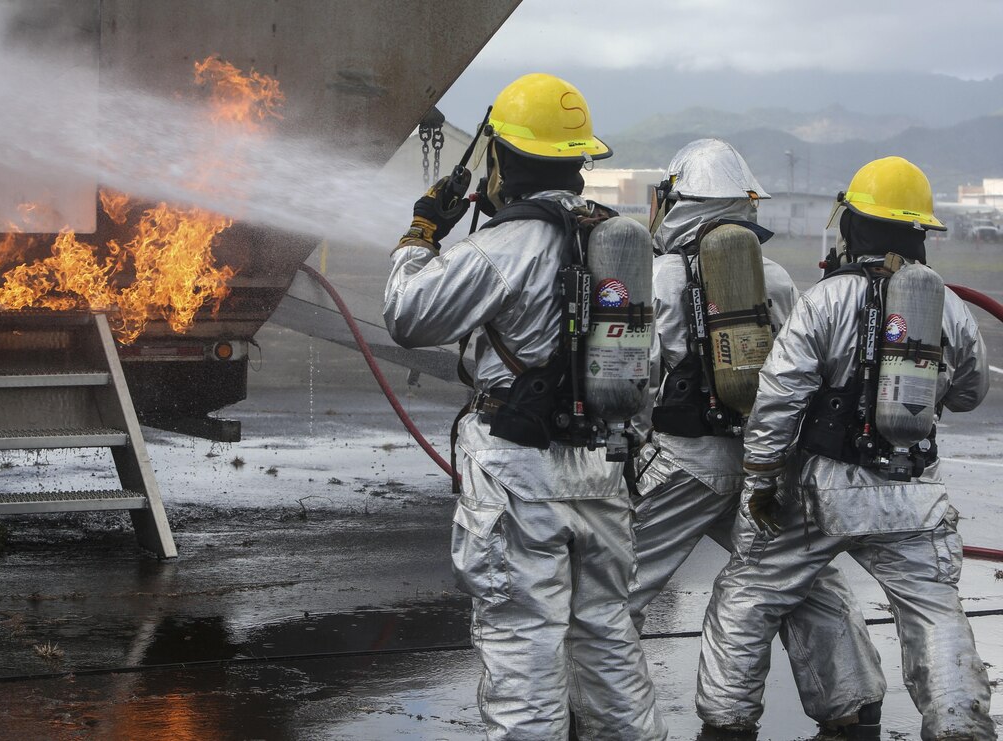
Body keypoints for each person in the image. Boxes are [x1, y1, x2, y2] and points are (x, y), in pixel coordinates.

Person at [383, 73, 666, 740]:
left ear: (504, 160)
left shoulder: (504, 245)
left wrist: (422, 232)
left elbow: (407, 314)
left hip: (519, 469)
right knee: (608, 639)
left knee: (525, 644)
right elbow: (647, 365)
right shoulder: (623, 247)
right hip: (602, 467)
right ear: (576, 162)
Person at [695, 156, 995, 740]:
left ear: (854, 224)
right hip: (912, 493)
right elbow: (969, 393)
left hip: (822, 491)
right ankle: (960, 727)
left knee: (747, 597)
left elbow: (779, 397)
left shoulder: (827, 300)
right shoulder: (949, 309)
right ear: (918, 232)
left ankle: (728, 726)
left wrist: (760, 476)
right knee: (935, 612)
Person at [634, 139, 887, 739]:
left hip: (685, 463)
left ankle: (591, 708)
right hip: (760, 463)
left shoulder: (659, 275)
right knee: (805, 582)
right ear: (743, 204)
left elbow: (638, 377)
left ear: (678, 201)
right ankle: (852, 705)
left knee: (617, 581)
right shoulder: (773, 277)